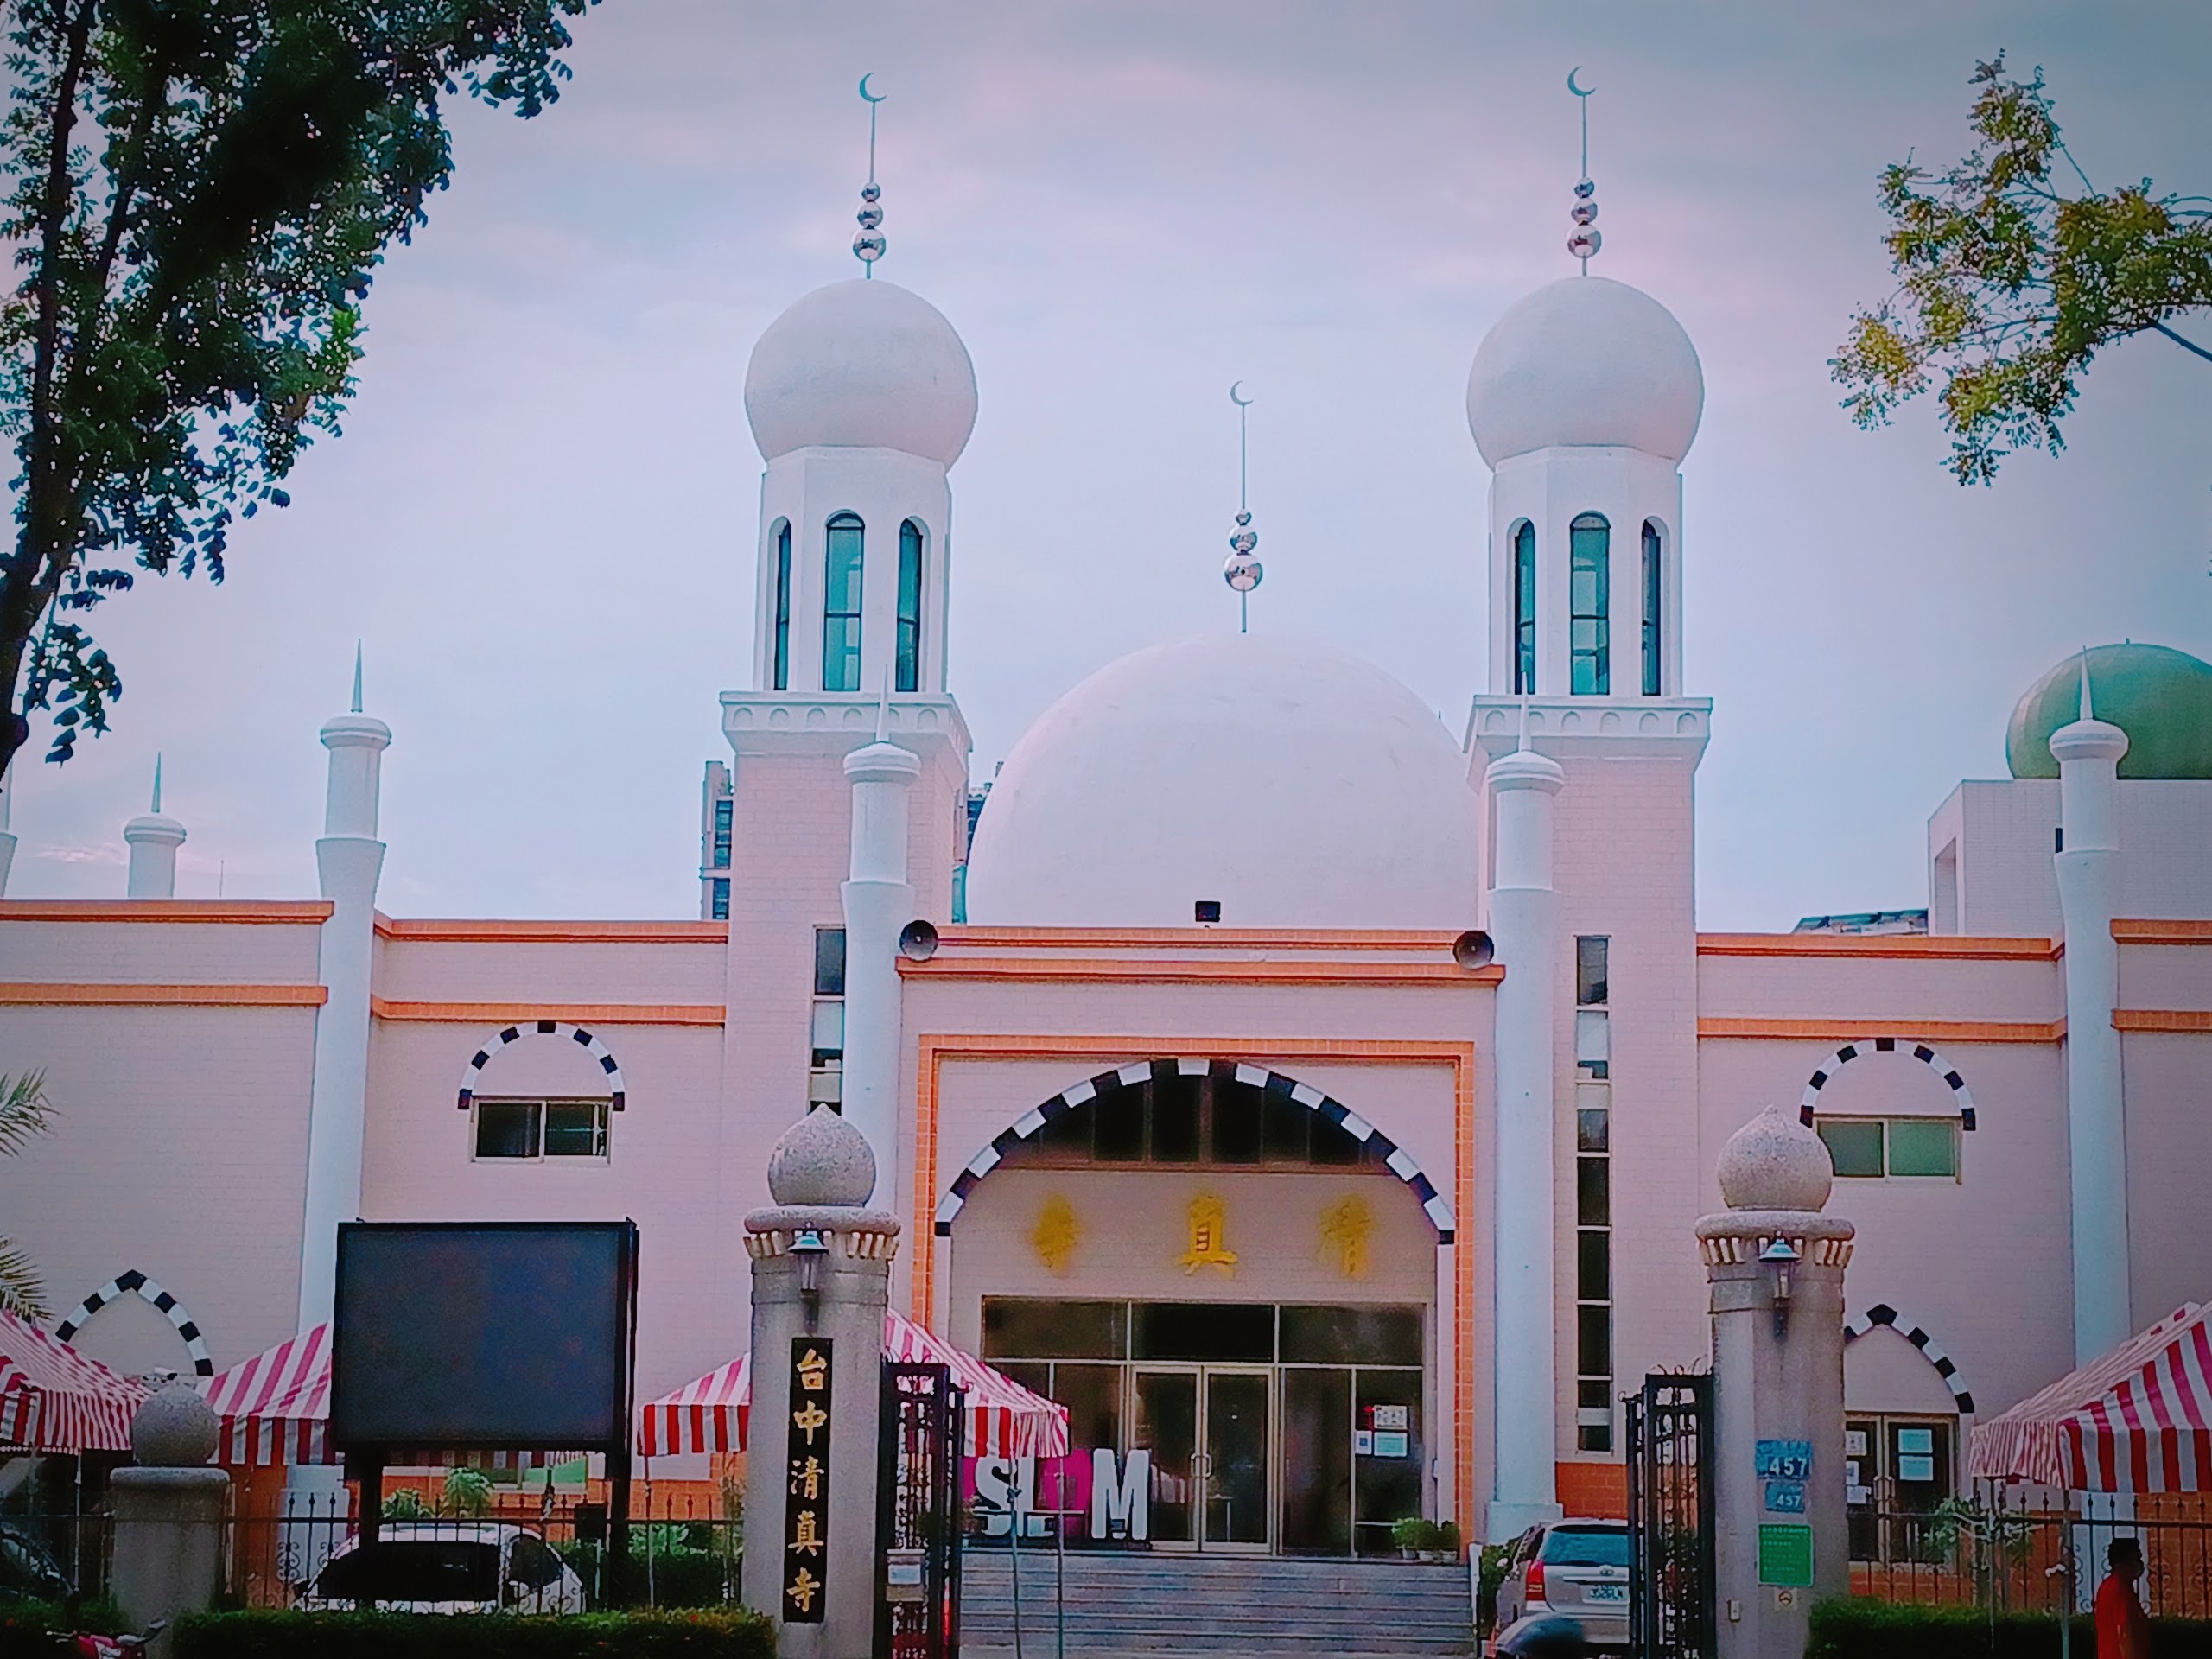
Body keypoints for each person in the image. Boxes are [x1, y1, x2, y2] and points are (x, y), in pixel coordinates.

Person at [2094, 1536, 2152, 1659]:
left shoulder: (2122, 1588)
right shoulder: (2117, 1588)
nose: (2139, 1564)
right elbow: (2123, 1633)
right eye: (2136, 1559)